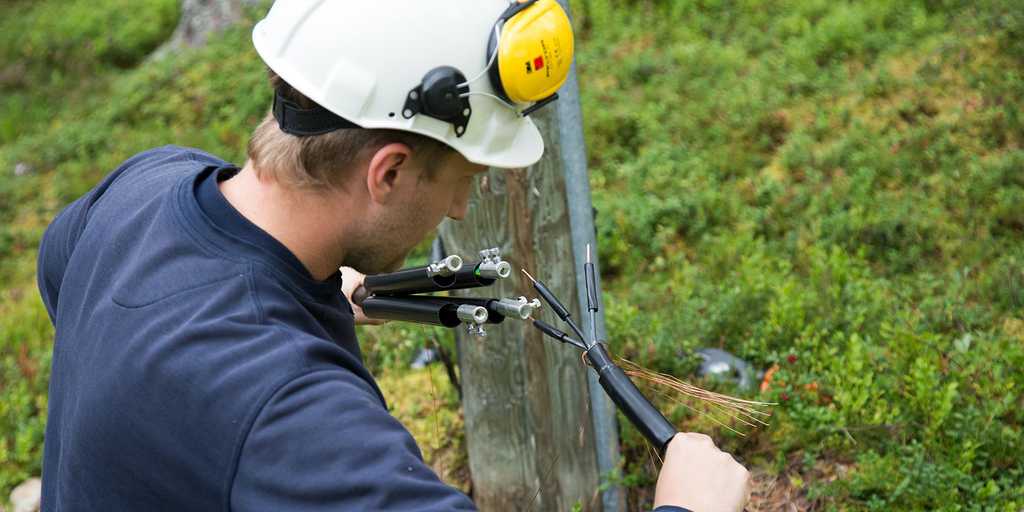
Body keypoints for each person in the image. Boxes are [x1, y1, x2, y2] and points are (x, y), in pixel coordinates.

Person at [36, 1, 750, 510]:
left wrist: (299, 297)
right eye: (464, 181)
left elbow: (65, 277)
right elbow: (260, 407)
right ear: (388, 172)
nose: (462, 210)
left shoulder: (144, 185)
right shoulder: (290, 416)